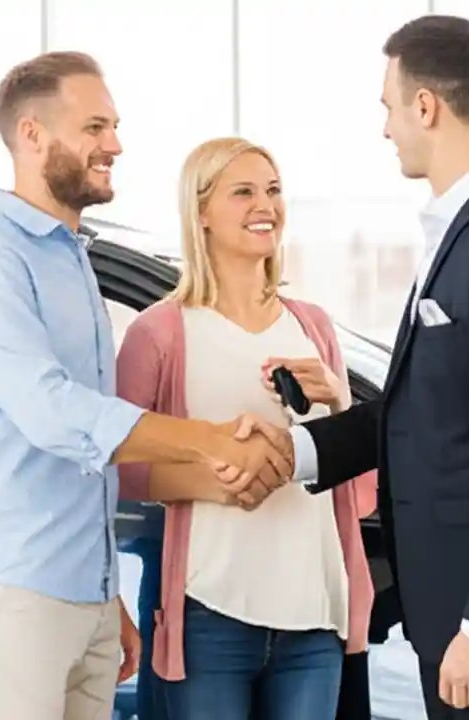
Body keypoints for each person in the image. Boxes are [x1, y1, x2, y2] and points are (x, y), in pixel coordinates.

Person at [240, 15, 469, 719]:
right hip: (457, 617)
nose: (386, 129)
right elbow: (429, 412)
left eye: (388, 106)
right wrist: (297, 451)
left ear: (425, 106)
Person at [0, 51, 293, 720]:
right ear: (32, 134)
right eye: (95, 127)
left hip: (83, 598)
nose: (115, 144)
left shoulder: (70, 259)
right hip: (15, 594)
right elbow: (55, 414)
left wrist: (106, 599)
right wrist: (212, 442)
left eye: (114, 127)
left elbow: (82, 463)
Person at [115, 137, 379, 720]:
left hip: (315, 612)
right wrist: (221, 480)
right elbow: (121, 468)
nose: (266, 204)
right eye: (244, 192)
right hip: (210, 612)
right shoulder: (159, 334)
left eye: (273, 190)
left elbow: (358, 491)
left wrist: (338, 405)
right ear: (201, 212)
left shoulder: (313, 326)